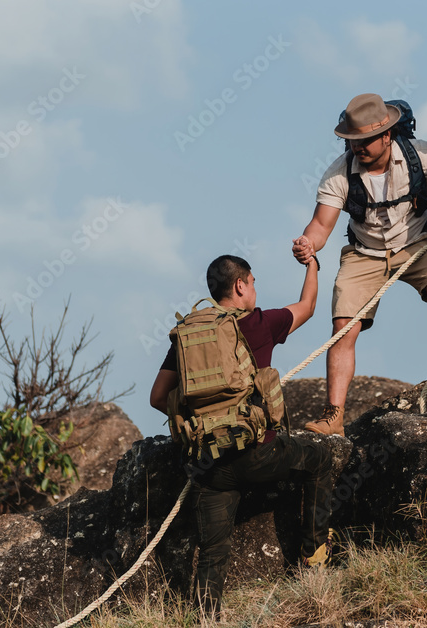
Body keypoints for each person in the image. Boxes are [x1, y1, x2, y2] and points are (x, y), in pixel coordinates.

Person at [149, 254, 332, 620]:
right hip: (259, 453)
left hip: (209, 464)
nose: (255, 290)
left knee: (213, 553)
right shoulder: (260, 322)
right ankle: (314, 554)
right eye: (253, 283)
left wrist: (202, 421)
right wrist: (312, 265)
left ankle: (205, 618)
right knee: (321, 460)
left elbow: (157, 398)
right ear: (240, 285)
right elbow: (308, 306)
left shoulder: (188, 336)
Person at [292, 93, 427, 436]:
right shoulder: (338, 174)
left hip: (418, 243)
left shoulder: (423, 155)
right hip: (364, 253)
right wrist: (306, 244)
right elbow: (319, 226)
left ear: (387, 134)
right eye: (352, 140)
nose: (357, 147)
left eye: (365, 140)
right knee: (344, 325)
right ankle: (334, 415)